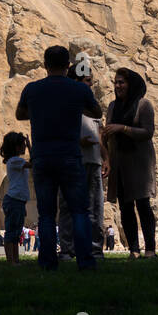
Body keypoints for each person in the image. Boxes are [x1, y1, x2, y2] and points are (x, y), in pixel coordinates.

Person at [15, 45, 103, 271]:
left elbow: (20, 114)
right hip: (70, 156)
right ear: (67, 66)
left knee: (46, 213)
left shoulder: (32, 89)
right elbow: (97, 112)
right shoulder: (78, 90)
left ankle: (47, 262)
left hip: (42, 157)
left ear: (45, 65)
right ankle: (85, 261)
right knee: (79, 211)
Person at [103, 66, 157, 259]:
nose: (117, 86)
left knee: (143, 205)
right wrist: (106, 159)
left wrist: (123, 128)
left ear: (131, 84)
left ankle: (150, 248)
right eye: (116, 82)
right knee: (125, 207)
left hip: (140, 162)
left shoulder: (144, 105)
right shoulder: (112, 106)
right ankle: (133, 249)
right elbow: (108, 133)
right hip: (120, 162)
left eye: (121, 82)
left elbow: (148, 132)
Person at [59, 66, 107, 261]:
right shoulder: (64, 105)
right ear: (77, 82)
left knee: (95, 208)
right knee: (67, 207)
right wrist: (79, 143)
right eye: (87, 80)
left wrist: (107, 158)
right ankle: (67, 250)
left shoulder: (92, 106)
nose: (91, 84)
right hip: (71, 160)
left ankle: (95, 250)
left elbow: (100, 134)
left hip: (94, 162)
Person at [0, 131, 31, 266]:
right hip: (14, 200)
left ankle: (15, 260)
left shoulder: (16, 161)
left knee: (16, 232)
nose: (24, 147)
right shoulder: (15, 161)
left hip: (17, 200)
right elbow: (34, 163)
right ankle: (10, 260)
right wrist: (31, 147)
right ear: (16, 147)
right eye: (23, 145)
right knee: (11, 232)